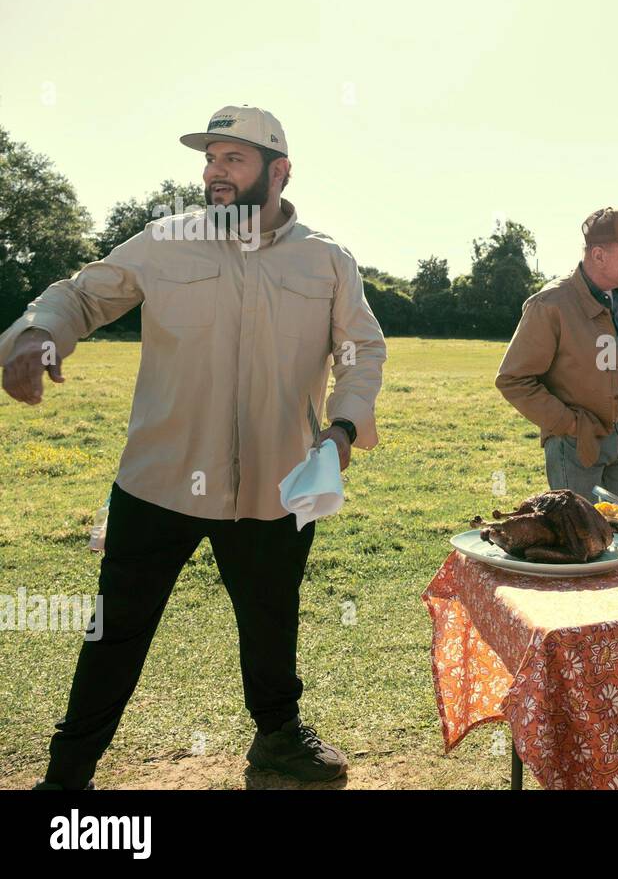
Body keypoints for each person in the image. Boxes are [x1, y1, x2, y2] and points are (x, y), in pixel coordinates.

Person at [0, 104, 387, 788]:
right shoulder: (162, 242)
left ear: (279, 170)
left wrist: (344, 425)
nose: (215, 172)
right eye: (210, 159)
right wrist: (39, 332)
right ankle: (67, 775)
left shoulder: (326, 259)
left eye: (233, 158)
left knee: (271, 621)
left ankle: (278, 739)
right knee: (115, 631)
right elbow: (82, 296)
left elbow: (360, 349)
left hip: (276, 483)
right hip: (159, 480)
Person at [496, 207, 618, 500]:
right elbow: (512, 379)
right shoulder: (549, 304)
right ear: (598, 255)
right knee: (583, 529)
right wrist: (570, 425)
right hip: (576, 445)